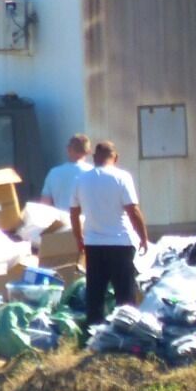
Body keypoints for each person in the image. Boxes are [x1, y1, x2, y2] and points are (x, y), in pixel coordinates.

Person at [70, 140, 151, 328]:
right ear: (115, 157)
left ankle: (94, 334)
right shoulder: (122, 177)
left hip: (93, 243)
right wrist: (143, 237)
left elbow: (74, 212)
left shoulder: (80, 179)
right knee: (125, 293)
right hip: (121, 243)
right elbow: (133, 210)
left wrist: (79, 238)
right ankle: (126, 331)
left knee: (95, 292)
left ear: (94, 157)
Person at [39, 133, 94, 211]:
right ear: (88, 151)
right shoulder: (93, 173)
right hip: (86, 222)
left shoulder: (54, 173)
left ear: (68, 149)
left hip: (62, 221)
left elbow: (44, 205)